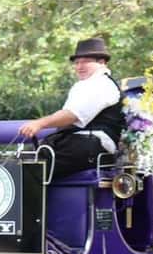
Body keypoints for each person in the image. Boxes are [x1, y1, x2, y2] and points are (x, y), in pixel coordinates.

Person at [17, 37, 124, 180]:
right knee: (27, 160)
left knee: (33, 168)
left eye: (86, 61)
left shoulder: (102, 85)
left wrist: (39, 123)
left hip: (92, 145)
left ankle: (28, 199)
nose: (79, 66)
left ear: (102, 62)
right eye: (77, 62)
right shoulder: (85, 85)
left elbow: (72, 115)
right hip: (78, 143)